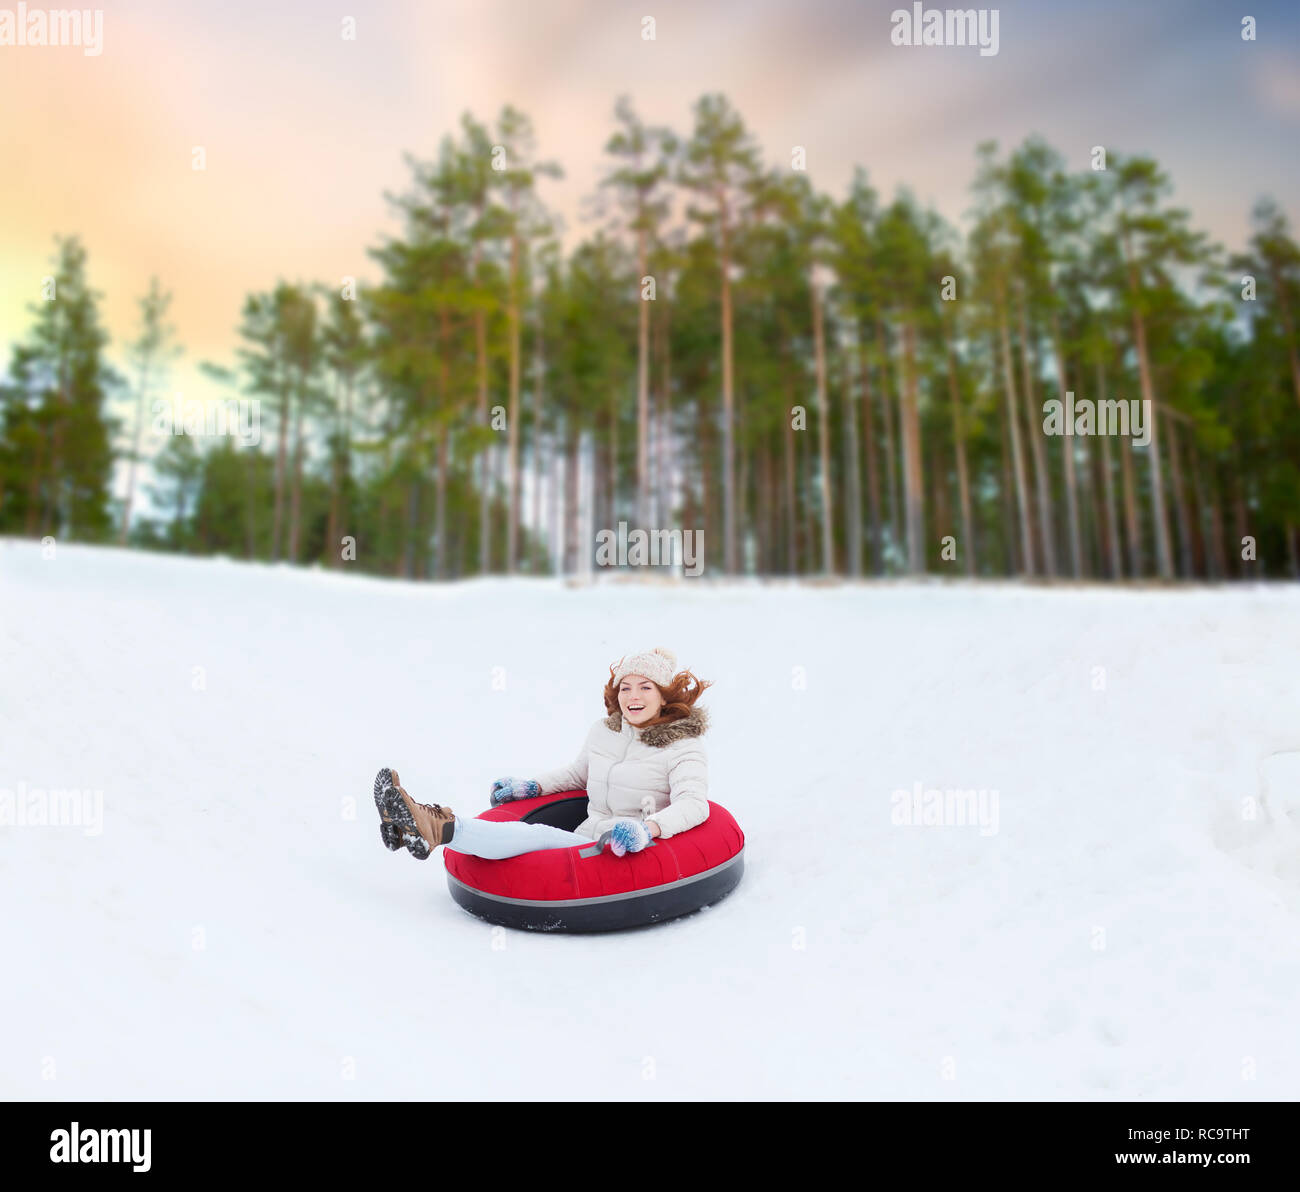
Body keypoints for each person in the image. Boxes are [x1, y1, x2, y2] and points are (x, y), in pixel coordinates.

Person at [373, 647, 711, 861]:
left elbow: (694, 804)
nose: (632, 696)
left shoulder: (683, 746)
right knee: (527, 840)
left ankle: (435, 826)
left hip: (627, 849)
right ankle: (413, 828)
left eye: (645, 687)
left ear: (664, 697)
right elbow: (577, 775)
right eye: (625, 687)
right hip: (587, 835)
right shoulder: (604, 732)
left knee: (533, 837)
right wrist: (530, 787)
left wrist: (647, 829)